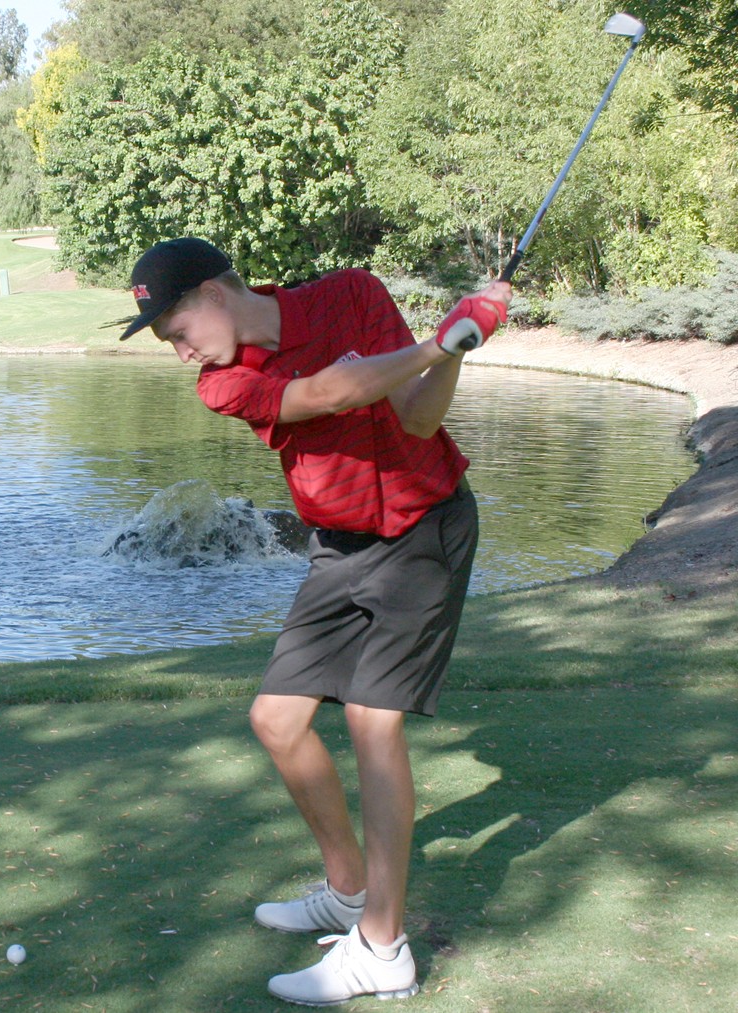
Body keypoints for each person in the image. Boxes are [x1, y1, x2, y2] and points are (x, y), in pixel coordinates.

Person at [118, 238, 511, 1006]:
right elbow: (329, 394)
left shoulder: (353, 294)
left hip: (424, 526)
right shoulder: (223, 382)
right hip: (339, 546)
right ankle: (349, 888)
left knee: (372, 721)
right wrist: (438, 340)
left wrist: (455, 350)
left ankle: (382, 948)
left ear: (215, 294)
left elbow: (421, 419)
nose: (179, 351)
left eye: (176, 329)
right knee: (276, 719)